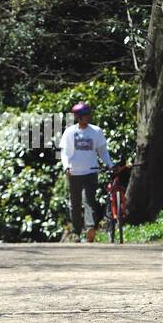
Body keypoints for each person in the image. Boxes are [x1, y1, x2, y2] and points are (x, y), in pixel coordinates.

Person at [58, 101, 114, 242]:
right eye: (84, 115)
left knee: (89, 201)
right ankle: (77, 231)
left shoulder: (96, 131)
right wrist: (66, 166)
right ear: (78, 117)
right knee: (75, 204)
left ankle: (89, 228)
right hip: (74, 173)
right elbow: (64, 153)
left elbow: (102, 151)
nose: (88, 117)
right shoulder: (70, 132)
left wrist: (110, 164)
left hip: (91, 172)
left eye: (88, 114)